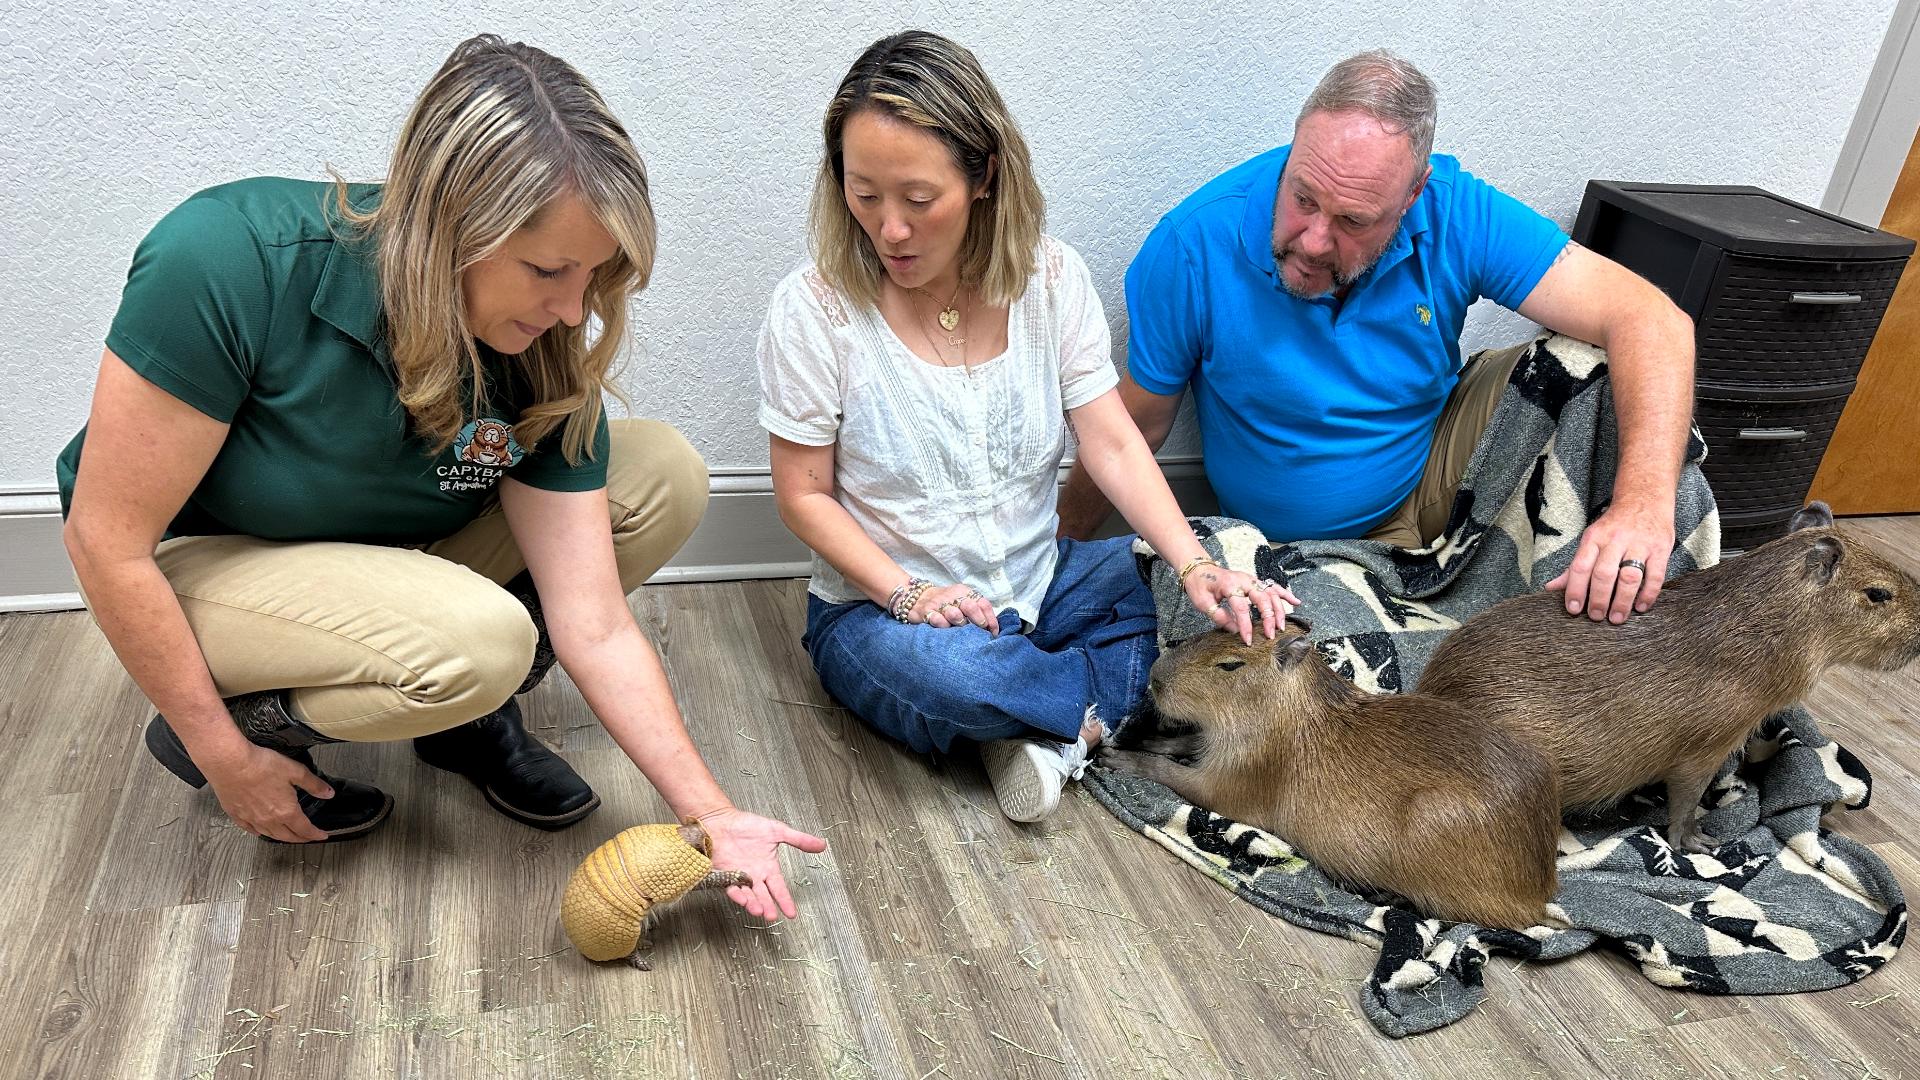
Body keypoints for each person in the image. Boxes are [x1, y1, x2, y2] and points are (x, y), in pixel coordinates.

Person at [57, 35, 824, 921]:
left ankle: (458, 717)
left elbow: (596, 623)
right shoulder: (225, 259)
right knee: (480, 641)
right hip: (192, 564)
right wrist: (224, 752)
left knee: (662, 475)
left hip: (375, 554)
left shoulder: (538, 345)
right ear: (447, 224)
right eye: (546, 271)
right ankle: (252, 715)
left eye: (596, 274)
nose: (576, 310)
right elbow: (105, 543)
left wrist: (712, 814)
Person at [757, 30, 1298, 824]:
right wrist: (908, 596)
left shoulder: (1050, 278)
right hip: (885, 612)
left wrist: (1192, 567)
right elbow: (802, 497)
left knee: (1232, 557)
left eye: (917, 199)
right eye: (863, 195)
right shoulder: (813, 311)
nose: (890, 230)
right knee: (954, 677)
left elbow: (1111, 439)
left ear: (984, 178)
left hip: (1046, 577)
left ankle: (1032, 725)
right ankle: (1083, 706)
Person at [1058, 50, 1696, 626]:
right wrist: (1056, 561)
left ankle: (1664, 660)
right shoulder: (1192, 245)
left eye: (1352, 221)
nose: (1312, 240)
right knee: (1284, 670)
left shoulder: (1454, 208)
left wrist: (1643, 507)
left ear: (1413, 194)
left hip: (1447, 478)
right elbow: (1128, 433)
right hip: (1302, 551)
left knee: (1596, 372)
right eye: (1303, 197)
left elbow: (1653, 318)